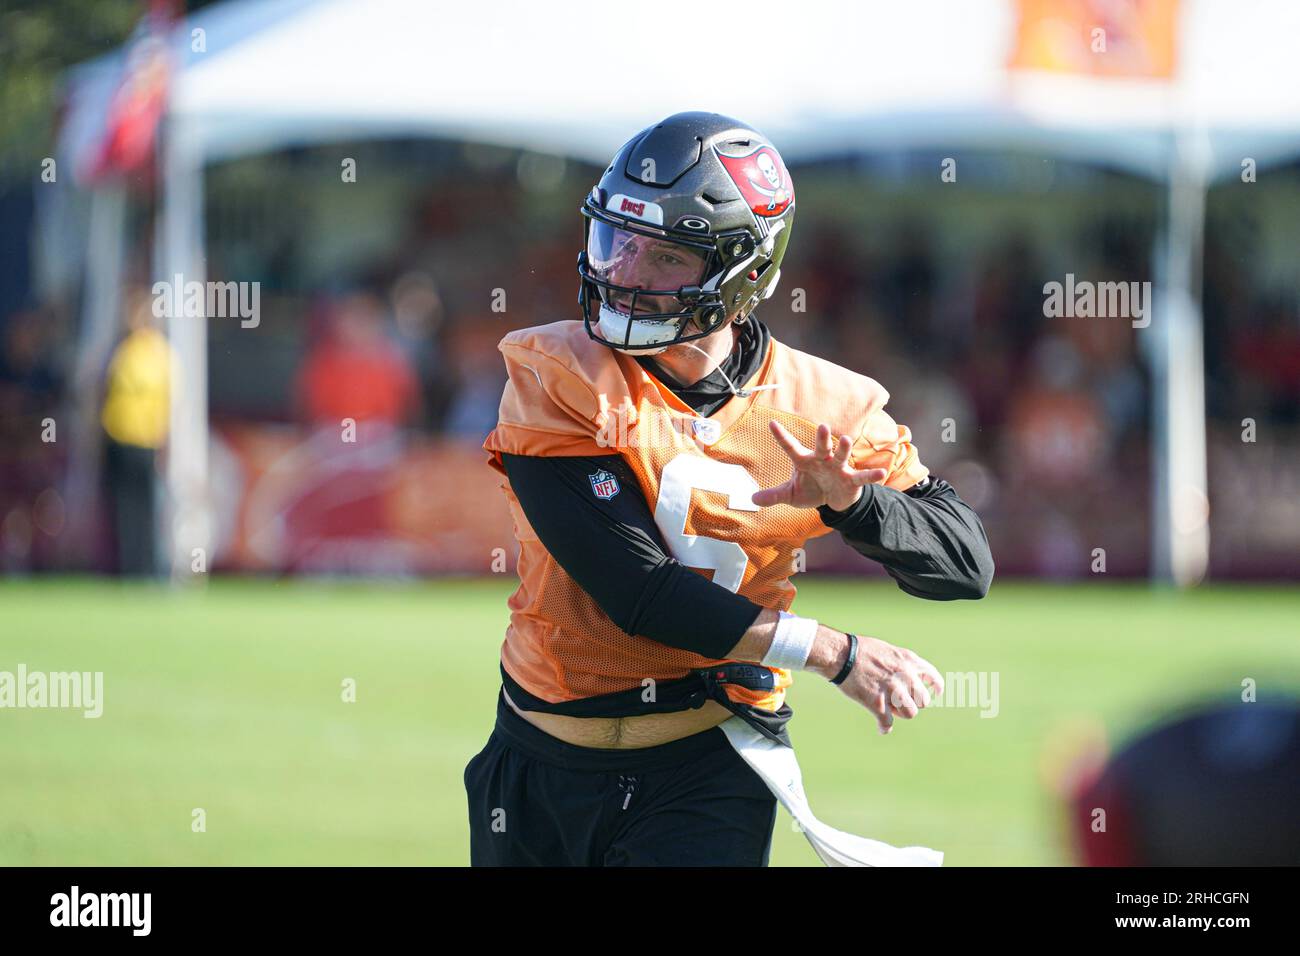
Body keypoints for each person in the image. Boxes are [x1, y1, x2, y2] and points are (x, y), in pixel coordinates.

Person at [465, 112, 994, 866]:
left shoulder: (821, 407)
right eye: (619, 242)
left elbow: (964, 565)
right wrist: (838, 654)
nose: (625, 273)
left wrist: (855, 502)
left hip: (704, 769)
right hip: (539, 761)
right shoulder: (559, 376)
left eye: (666, 256)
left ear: (744, 273)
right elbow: (642, 594)